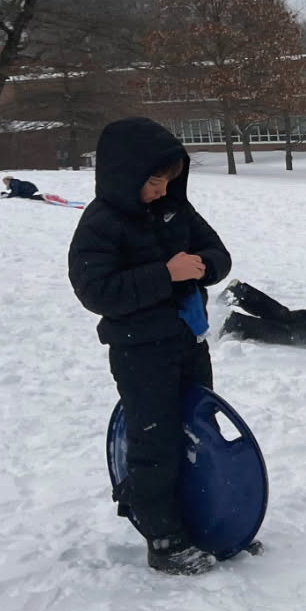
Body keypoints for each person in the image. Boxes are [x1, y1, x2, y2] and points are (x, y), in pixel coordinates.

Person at [67, 117, 231, 576]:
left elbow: (218, 253)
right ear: (125, 174)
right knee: (155, 441)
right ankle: (163, 537)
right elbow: (96, 291)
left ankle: (201, 520)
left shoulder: (177, 209)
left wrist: (202, 266)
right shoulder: (102, 222)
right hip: (140, 352)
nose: (162, 191)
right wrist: (166, 274)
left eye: (169, 181)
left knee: (197, 433)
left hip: (187, 341)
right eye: (154, 181)